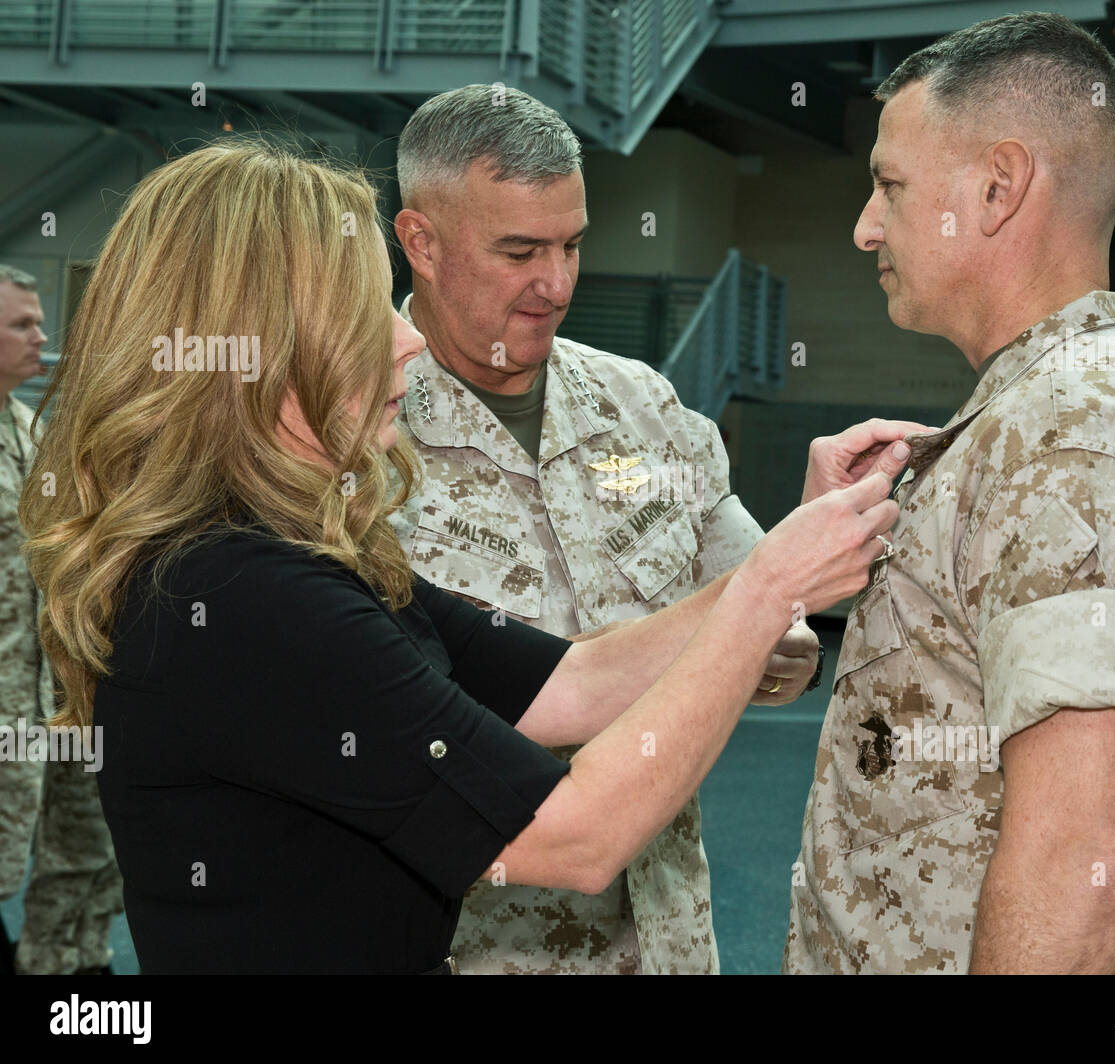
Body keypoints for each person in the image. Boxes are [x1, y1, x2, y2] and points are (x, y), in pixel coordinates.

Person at [18, 140, 901, 974]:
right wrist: (771, 593)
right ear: (259, 357)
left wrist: (778, 553)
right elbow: (576, 837)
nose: (405, 339)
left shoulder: (302, 556)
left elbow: (576, 683)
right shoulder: (246, 593)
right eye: (365, 314)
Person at [784, 12, 1115, 974]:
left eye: (890, 185)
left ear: (998, 188)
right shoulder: (1031, 415)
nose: (866, 225)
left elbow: (1082, 871)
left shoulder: (1085, 428)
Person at [390, 85, 903, 973]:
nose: (555, 283)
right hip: (474, 949)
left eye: (572, 245)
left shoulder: (644, 409)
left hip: (665, 937)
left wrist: (782, 627)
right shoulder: (351, 441)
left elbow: (770, 624)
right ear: (421, 242)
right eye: (518, 251)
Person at [0, 264, 123, 975]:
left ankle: (67, 970)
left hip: (52, 691)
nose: (42, 338)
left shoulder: (27, 426)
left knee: (82, 843)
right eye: (22, 324)